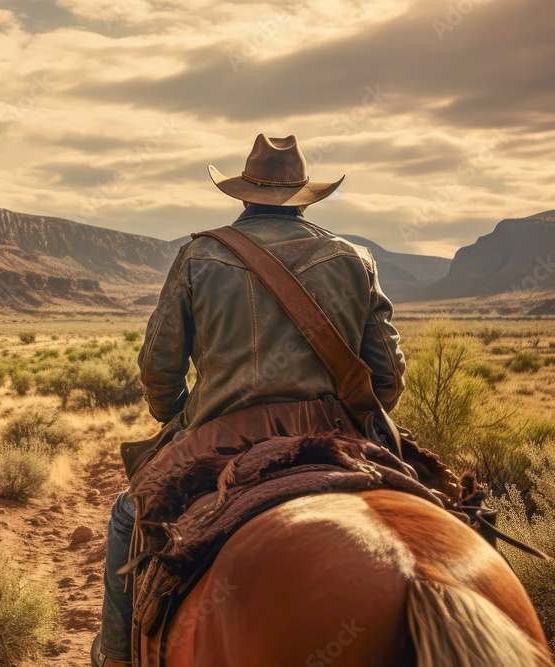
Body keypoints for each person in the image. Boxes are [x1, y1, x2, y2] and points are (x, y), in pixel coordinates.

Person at [94, 134, 407, 667]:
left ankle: (118, 658)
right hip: (332, 432)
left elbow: (159, 368)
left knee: (128, 516)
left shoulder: (200, 256)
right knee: (445, 501)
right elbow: (388, 376)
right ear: (304, 196)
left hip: (220, 436)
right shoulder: (354, 259)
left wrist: (176, 415)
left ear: (242, 194)